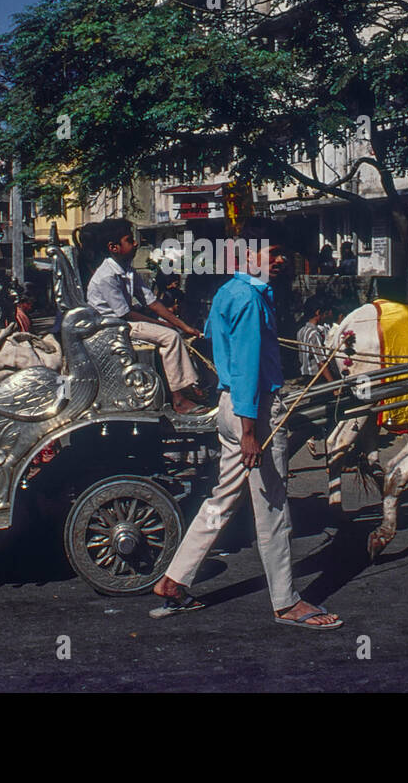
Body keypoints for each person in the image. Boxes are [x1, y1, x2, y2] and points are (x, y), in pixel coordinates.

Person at [151, 217, 342, 629]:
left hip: (232, 408)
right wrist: (252, 432)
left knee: (222, 498)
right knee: (272, 507)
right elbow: (247, 369)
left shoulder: (229, 293)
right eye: (272, 254)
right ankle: (286, 601)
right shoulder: (253, 301)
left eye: (281, 254)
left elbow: (227, 352)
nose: (280, 261)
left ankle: (173, 579)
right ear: (246, 255)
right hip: (252, 412)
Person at [85, 219, 208, 415]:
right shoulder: (107, 276)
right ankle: (179, 398)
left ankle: (188, 386)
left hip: (124, 323)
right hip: (114, 328)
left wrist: (183, 326)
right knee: (170, 337)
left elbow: (151, 302)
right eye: (129, 240)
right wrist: (169, 327)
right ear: (114, 247)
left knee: (174, 333)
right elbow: (125, 313)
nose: (135, 244)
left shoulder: (127, 270)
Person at [295, 294, 336, 382]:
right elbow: (321, 362)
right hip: (317, 376)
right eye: (325, 314)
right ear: (318, 313)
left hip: (306, 375)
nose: (326, 317)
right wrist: (332, 385)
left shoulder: (301, 331)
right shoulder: (314, 334)